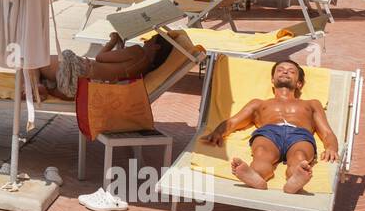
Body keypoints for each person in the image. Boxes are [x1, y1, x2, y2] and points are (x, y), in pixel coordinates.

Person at [200, 59, 338, 194]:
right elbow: (233, 122)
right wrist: (218, 132)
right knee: (261, 152)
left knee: (299, 156)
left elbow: (327, 132)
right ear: (272, 80)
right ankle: (256, 176)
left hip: (300, 134)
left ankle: (295, 180)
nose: (285, 72)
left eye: (291, 72)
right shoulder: (259, 104)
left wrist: (331, 147)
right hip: (269, 132)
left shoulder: (312, 104)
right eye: (280, 70)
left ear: (299, 83)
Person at [35, 33, 175, 99]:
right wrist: (121, 47)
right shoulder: (145, 68)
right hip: (83, 88)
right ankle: (41, 87)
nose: (149, 36)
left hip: (79, 70)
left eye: (153, 37)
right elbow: (117, 69)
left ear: (156, 47)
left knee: (34, 61)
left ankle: (34, 86)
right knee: (38, 68)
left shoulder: (138, 51)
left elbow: (101, 58)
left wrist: (112, 41)